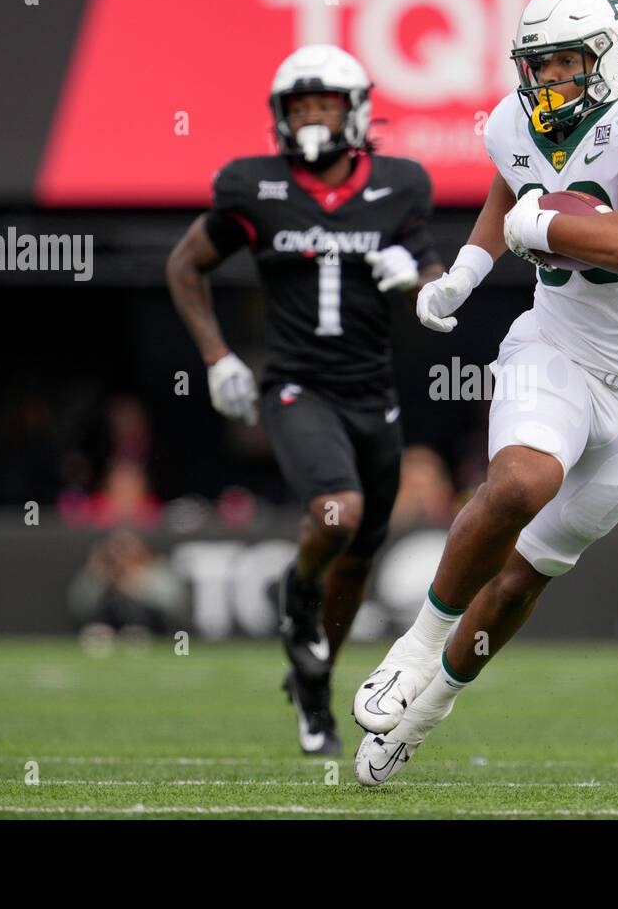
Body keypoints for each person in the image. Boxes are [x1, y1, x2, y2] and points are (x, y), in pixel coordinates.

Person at [350, 0, 618, 785]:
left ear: (615, 58)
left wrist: (545, 226)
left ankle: (433, 704)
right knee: (519, 482)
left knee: (524, 578)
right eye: (537, 65)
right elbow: (510, 183)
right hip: (557, 347)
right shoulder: (518, 119)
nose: (547, 82)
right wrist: (467, 272)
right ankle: (412, 650)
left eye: (565, 64)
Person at [165, 44, 444, 756]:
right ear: (279, 117)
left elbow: (440, 287)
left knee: (360, 554)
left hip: (371, 392)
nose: (312, 118)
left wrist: (412, 274)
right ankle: (297, 590)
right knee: (337, 513)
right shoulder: (253, 186)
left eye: (324, 104)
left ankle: (314, 675)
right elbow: (186, 264)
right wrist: (217, 355)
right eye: (300, 106)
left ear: (356, 112)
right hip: (296, 387)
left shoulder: (402, 185)